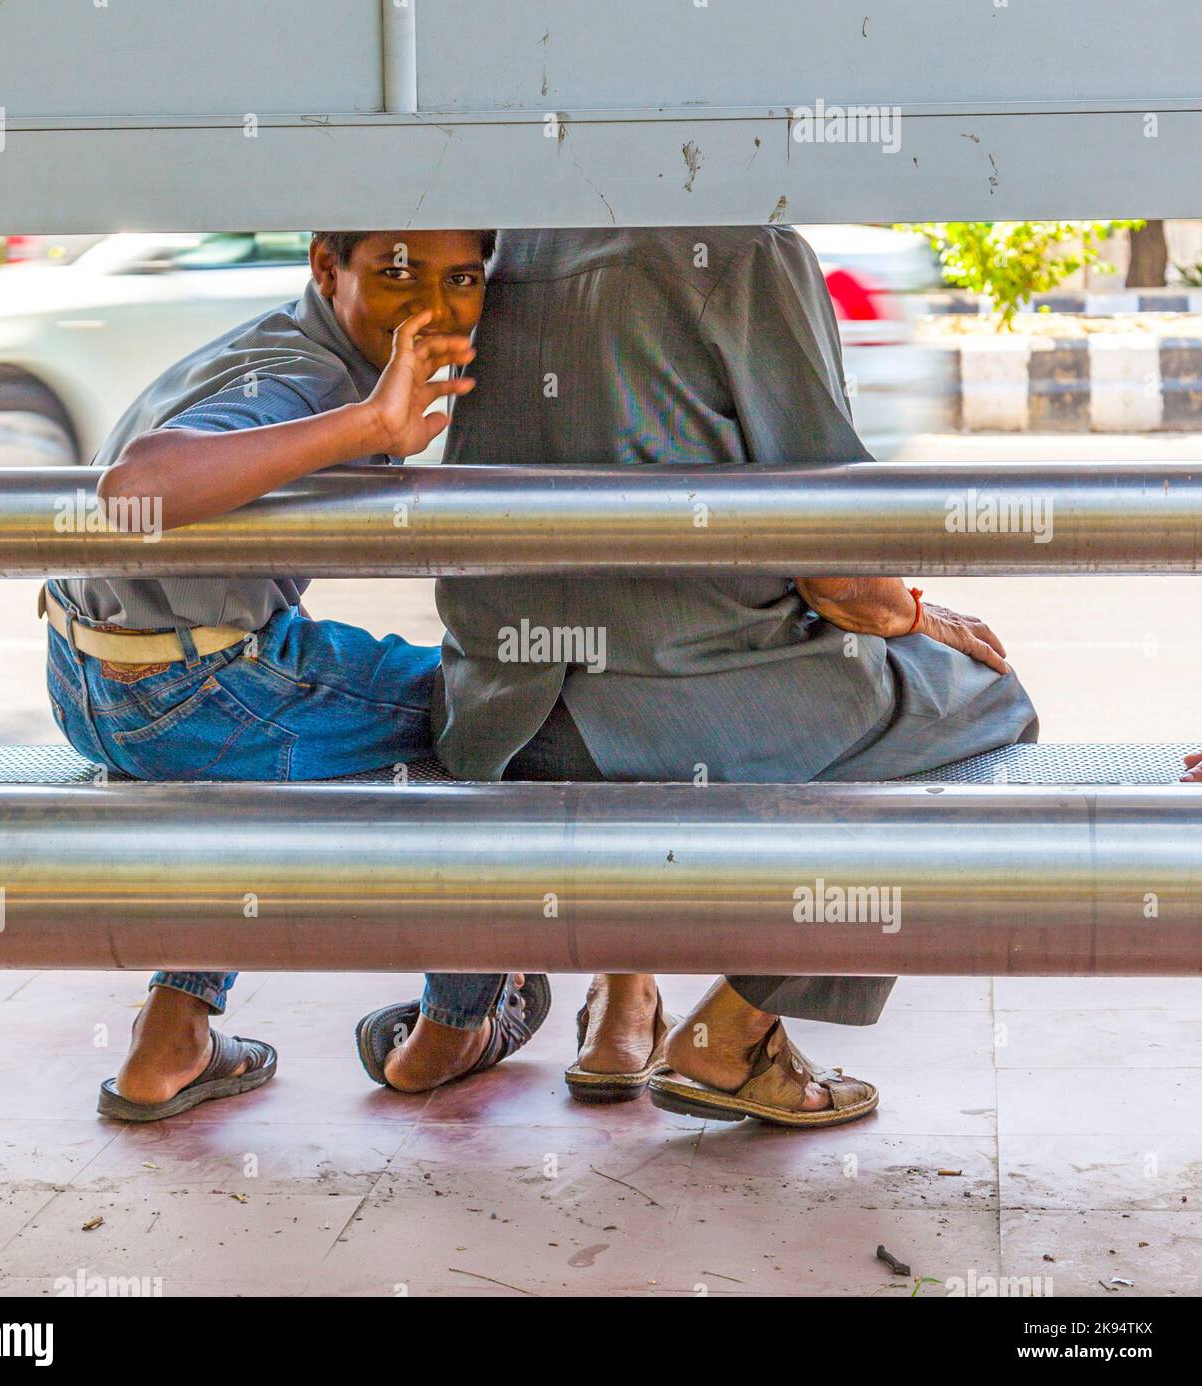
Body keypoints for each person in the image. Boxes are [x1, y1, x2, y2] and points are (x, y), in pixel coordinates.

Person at [357, 225, 1039, 1127]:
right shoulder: (745, 249)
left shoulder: (504, 242)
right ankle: (736, 1031)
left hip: (500, 722)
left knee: (624, 649)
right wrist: (919, 615)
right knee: (990, 709)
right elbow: (841, 572)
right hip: (688, 717)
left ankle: (623, 1004)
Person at [43, 229, 555, 1122]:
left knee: (277, 733)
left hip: (87, 675)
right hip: (192, 693)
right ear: (327, 266)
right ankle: (457, 1023)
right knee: (500, 703)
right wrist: (371, 425)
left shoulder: (291, 338)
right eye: (398, 273)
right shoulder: (312, 380)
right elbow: (136, 489)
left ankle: (172, 1040)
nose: (430, 306)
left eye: (462, 279)